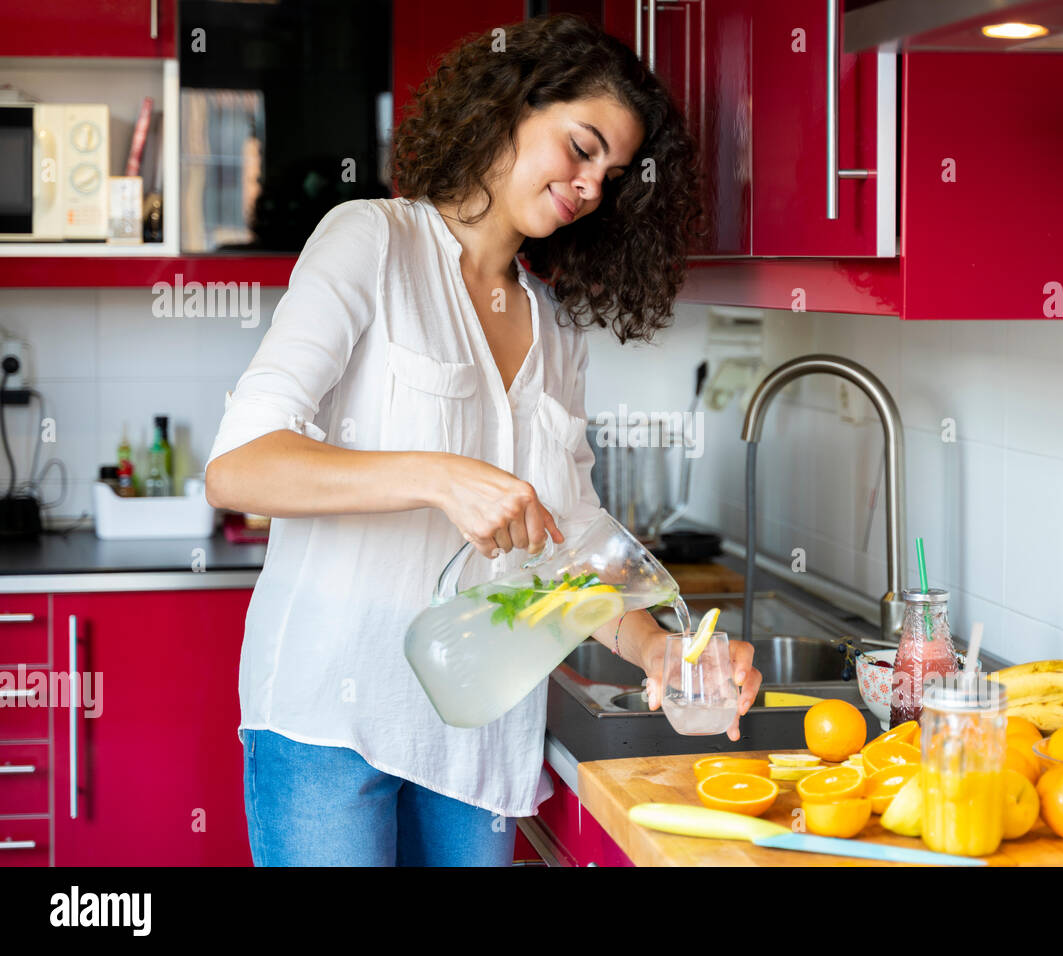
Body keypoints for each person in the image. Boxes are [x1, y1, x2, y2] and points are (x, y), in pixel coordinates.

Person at [203, 13, 763, 867]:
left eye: (610, 175)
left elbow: (573, 543)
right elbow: (240, 468)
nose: (589, 186)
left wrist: (661, 649)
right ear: (508, 107)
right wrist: (439, 477)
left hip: (478, 738)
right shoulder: (373, 242)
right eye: (580, 148)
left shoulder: (553, 327)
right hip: (330, 718)